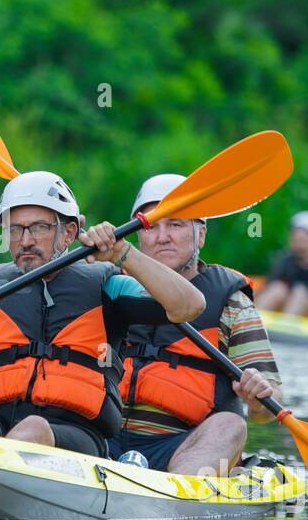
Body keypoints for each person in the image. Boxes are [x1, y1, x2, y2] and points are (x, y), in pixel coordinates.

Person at [0, 171, 206, 457]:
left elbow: (189, 306)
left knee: (34, 427)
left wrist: (125, 253)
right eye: (15, 229)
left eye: (38, 228)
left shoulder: (109, 286)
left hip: (75, 437)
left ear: (68, 233)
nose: (25, 240)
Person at [110, 174, 283, 476]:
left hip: (184, 447)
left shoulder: (232, 303)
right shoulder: (110, 288)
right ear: (138, 236)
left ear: (200, 235)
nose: (162, 236)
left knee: (231, 425)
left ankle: (177, 500)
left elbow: (269, 407)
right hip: (103, 440)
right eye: (150, 225)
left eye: (175, 224)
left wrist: (258, 397)